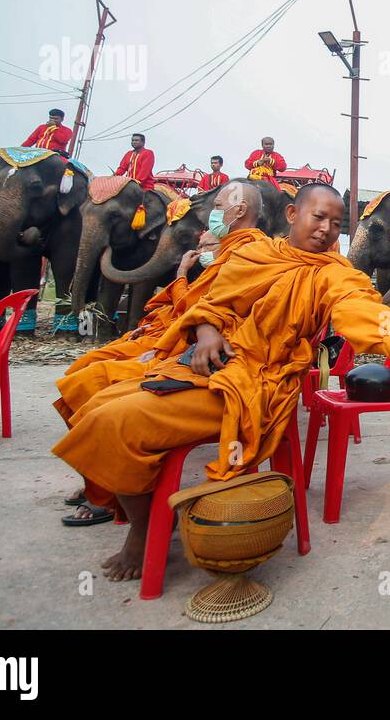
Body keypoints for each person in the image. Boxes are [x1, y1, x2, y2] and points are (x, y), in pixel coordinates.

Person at [51, 182, 390, 581]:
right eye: (318, 217)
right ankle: (145, 505)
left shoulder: (333, 274)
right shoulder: (258, 255)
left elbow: (360, 308)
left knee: (112, 422)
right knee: (96, 400)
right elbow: (212, 306)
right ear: (293, 215)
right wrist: (207, 335)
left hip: (256, 384)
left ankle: (143, 529)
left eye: (335, 222)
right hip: (204, 366)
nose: (327, 229)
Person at [55, 182, 266, 525]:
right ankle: (100, 479)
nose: (213, 215)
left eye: (218, 205)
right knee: (83, 370)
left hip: (194, 354)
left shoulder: (252, 252)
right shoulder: (230, 250)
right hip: (171, 338)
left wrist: (182, 277)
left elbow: (205, 313)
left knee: (93, 383)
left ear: (240, 210)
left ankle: (109, 492)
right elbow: (196, 309)